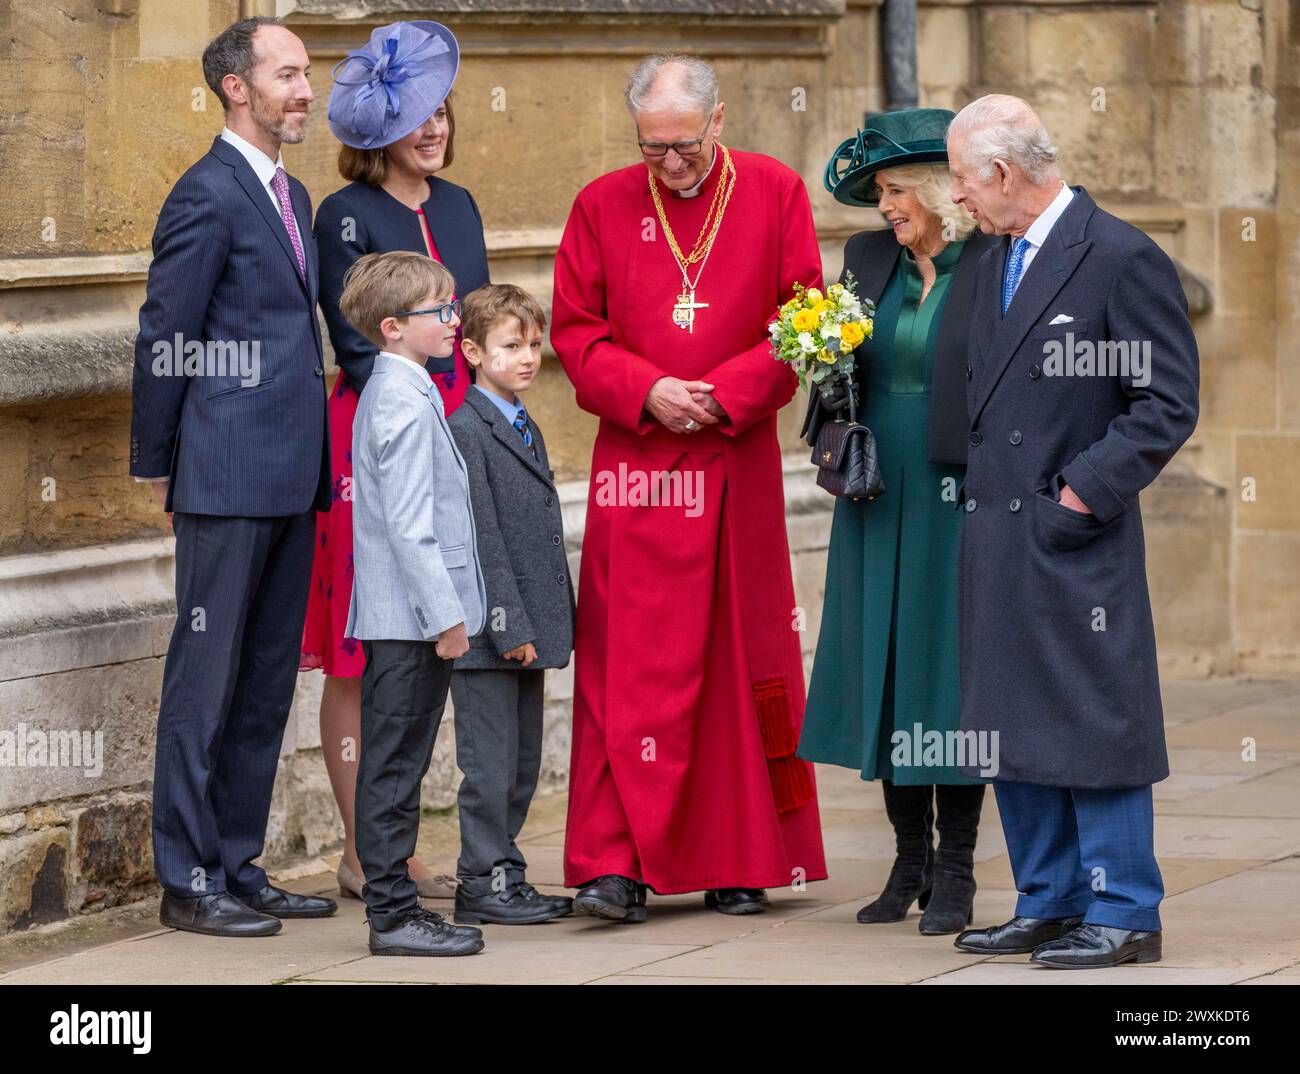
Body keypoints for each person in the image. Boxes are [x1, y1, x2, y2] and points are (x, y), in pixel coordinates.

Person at [551, 53, 827, 922]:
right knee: (626, 663)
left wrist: (726, 395)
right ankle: (611, 862)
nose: (670, 167)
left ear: (717, 122)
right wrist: (646, 391)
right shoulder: (600, 204)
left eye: (684, 148)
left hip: (735, 458)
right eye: (652, 150)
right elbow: (574, 329)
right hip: (637, 465)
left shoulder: (776, 190)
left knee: (743, 653)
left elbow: (805, 317)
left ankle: (744, 855)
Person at [945, 95, 1199, 968]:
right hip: (996, 534)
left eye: (962, 181)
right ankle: (1049, 899)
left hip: (1071, 534)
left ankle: (1125, 909)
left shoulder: (1122, 256)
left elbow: (1165, 404)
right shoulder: (994, 256)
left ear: (1006, 175)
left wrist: (1080, 495)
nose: (957, 199)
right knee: (1013, 719)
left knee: (1098, 720)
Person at [130, 16, 336, 937]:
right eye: (288, 74)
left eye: (307, 73)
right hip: (221, 479)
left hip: (293, 480)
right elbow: (165, 336)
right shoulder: (206, 193)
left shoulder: (290, 192)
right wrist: (160, 468)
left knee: (263, 683)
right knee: (204, 685)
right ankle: (186, 878)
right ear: (236, 87)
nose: (306, 90)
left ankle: (237, 862)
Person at [302, 19, 490, 901]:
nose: (433, 126)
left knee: (443, 623)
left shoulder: (457, 205)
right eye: (414, 114)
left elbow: (479, 319)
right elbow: (358, 338)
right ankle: (363, 850)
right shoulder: (344, 214)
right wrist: (430, 401)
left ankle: (410, 833)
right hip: (376, 428)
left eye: (441, 110)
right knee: (368, 634)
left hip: (463, 422)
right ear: (376, 130)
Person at [798, 109, 996, 935]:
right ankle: (907, 859)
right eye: (878, 194)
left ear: (938, 190)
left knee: (947, 677)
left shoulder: (993, 260)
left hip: (961, 492)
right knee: (884, 672)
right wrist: (817, 356)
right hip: (877, 490)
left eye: (893, 192)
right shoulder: (866, 258)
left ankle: (957, 872)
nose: (883, 208)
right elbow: (840, 359)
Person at [340, 251, 487, 957]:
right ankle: (393, 916)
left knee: (403, 762)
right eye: (442, 312)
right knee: (395, 768)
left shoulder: (411, 385)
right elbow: (407, 524)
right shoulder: (399, 398)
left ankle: (395, 909)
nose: (455, 321)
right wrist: (447, 616)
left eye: (453, 307)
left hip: (412, 620)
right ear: (394, 327)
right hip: (410, 624)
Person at [445, 284, 577, 926]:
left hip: (525, 631)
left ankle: (508, 875)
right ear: (471, 350)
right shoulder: (467, 429)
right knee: (490, 768)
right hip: (492, 637)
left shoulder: (520, 420)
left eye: (533, 344)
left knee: (523, 763)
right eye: (510, 346)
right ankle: (481, 881)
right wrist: (509, 625)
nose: (528, 357)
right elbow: (482, 540)